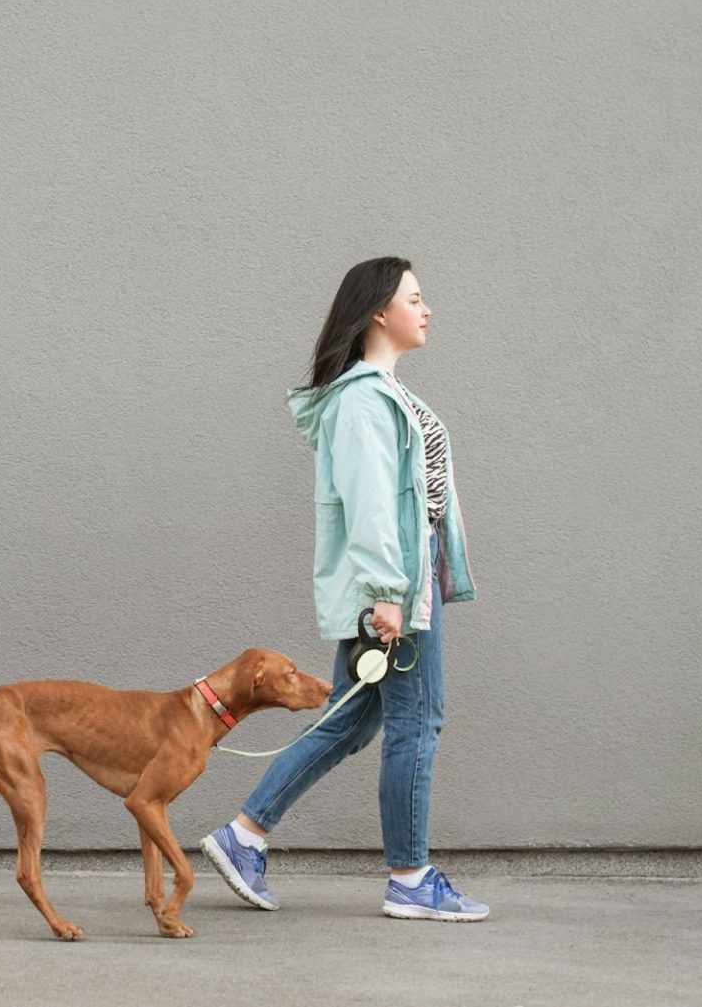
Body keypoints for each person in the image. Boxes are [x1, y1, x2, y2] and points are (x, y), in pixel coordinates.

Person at [199, 257, 489, 922]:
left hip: (399, 583)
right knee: (417, 723)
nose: (428, 308)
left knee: (351, 720)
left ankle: (243, 836)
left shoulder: (381, 391)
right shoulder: (362, 399)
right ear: (380, 310)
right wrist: (389, 590)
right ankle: (410, 877)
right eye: (416, 298)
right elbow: (369, 504)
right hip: (392, 589)